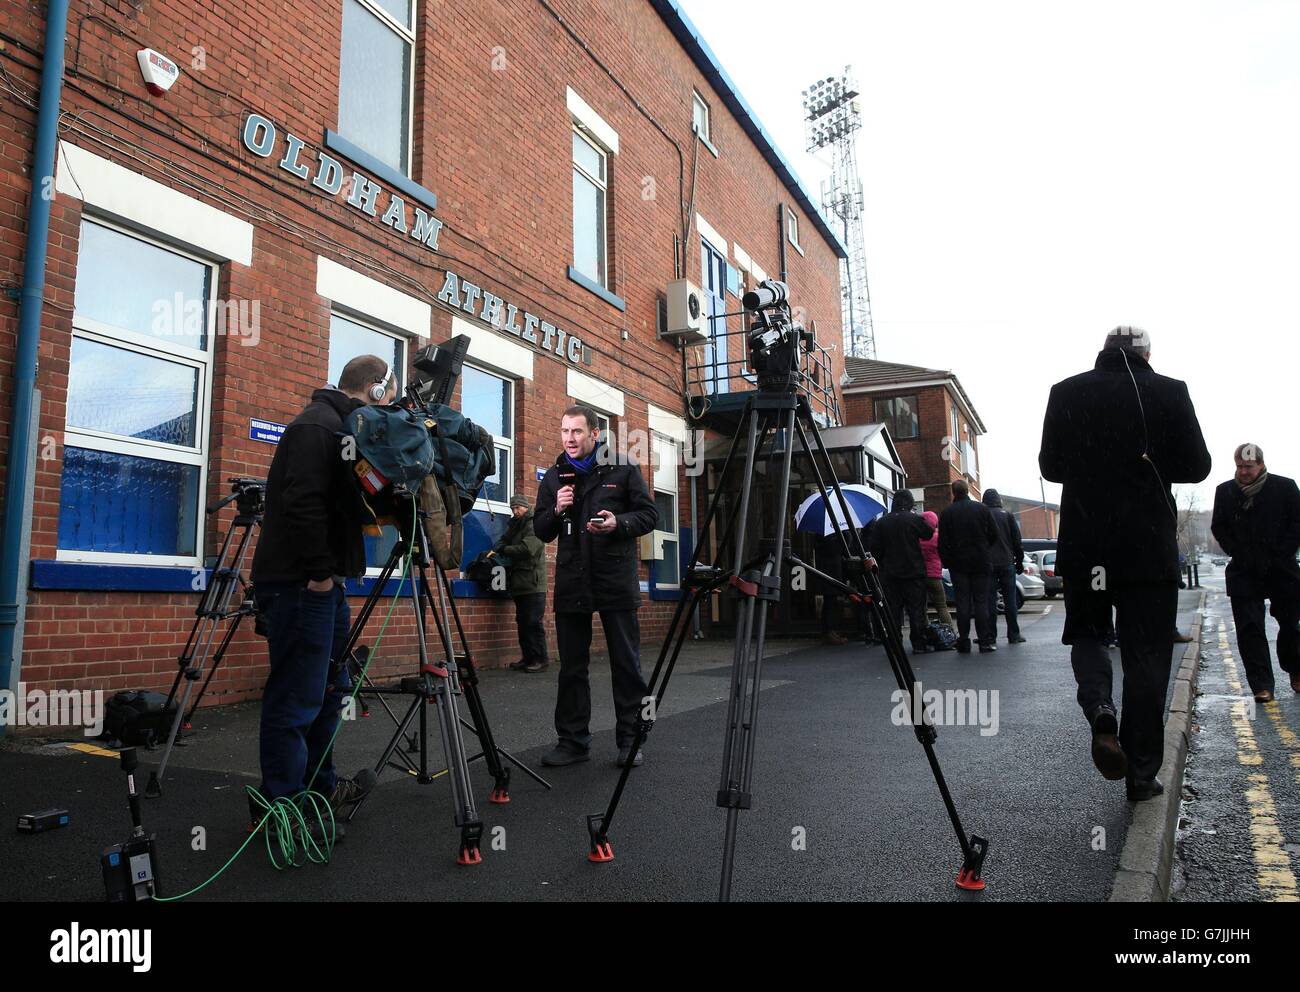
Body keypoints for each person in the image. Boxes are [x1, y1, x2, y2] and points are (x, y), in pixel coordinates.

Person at [1039, 327, 1210, 802]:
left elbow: (1051, 466)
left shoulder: (1066, 391)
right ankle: (1141, 773)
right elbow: (1197, 466)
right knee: (1147, 654)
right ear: (1147, 354)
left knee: (1089, 633)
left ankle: (1099, 710)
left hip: (1087, 541)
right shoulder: (1169, 391)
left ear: (1104, 351)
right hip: (1146, 547)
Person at [248, 355, 394, 832]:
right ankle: (280, 808)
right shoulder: (318, 427)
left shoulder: (342, 431)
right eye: (387, 395)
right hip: (302, 585)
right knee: (297, 696)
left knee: (329, 693)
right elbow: (301, 502)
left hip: (322, 585)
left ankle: (319, 789)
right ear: (374, 389)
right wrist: (319, 575)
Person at [534, 406, 658, 768]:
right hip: (572, 581)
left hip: (614, 580)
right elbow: (541, 531)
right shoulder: (556, 477)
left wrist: (617, 523)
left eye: (576, 432)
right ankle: (572, 743)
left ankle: (630, 741)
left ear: (595, 434)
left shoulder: (622, 469)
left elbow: (649, 515)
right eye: (564, 432)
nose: (569, 439)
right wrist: (555, 510)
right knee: (572, 667)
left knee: (626, 663)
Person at [1210, 443, 1300, 701]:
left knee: (1291, 625)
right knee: (1249, 630)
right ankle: (1261, 685)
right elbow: (1220, 527)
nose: (1243, 471)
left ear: (1260, 464)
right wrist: (1238, 552)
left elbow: (1297, 523)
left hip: (1281, 568)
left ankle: (1296, 669)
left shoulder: (1285, 487)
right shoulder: (1225, 491)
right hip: (1244, 570)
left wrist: (1281, 552)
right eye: (1239, 466)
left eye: (1248, 466)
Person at [865, 491, 934, 654]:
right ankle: (918, 644)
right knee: (916, 610)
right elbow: (928, 533)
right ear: (909, 503)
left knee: (893, 611)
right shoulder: (913, 519)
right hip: (914, 572)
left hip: (890, 575)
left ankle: (895, 644)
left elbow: (874, 549)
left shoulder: (881, 523)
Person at [938, 479, 998, 654]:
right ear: (967, 491)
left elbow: (943, 542)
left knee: (962, 602)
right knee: (981, 602)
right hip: (981, 561)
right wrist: (984, 548)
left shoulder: (948, 513)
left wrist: (948, 561)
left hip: (958, 564)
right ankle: (985, 641)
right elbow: (994, 534)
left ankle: (963, 641)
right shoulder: (982, 509)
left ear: (953, 492)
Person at [496, 494, 549, 674]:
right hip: (520, 583)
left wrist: (505, 549)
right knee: (523, 623)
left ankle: (540, 660)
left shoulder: (534, 524)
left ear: (526, 507)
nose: (515, 511)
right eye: (512, 509)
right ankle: (528, 658)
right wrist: (501, 546)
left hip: (533, 583)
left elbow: (528, 549)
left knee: (533, 623)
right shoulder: (516, 525)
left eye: (517, 508)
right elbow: (503, 540)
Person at [982, 489, 1026, 644]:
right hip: (1007, 562)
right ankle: (1014, 634)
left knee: (989, 601)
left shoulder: (983, 515)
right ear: (998, 500)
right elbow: (1017, 541)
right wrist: (1019, 561)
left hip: (988, 564)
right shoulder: (1007, 516)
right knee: (1010, 601)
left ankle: (990, 635)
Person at [920, 510, 955, 633]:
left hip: (920, 576)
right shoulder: (937, 537)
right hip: (935, 576)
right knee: (941, 607)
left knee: (921, 608)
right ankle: (949, 632)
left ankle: (924, 634)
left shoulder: (916, 537)